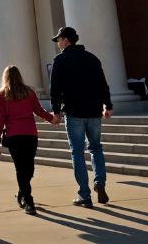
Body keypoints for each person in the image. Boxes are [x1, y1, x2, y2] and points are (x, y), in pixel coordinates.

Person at [48, 26, 113, 208]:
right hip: (93, 112)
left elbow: (55, 90)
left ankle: (84, 194)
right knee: (96, 148)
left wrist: (56, 112)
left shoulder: (60, 61)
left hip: (74, 112)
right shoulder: (92, 58)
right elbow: (103, 84)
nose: (58, 44)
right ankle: (99, 182)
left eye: (59, 40)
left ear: (66, 40)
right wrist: (108, 106)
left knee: (77, 151)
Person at [0, 64, 57, 216]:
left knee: (24, 169)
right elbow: (39, 111)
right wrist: (51, 118)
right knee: (27, 169)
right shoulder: (29, 92)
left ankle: (23, 193)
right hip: (30, 135)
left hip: (15, 137)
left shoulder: (3, 95)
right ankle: (29, 200)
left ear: (5, 78)